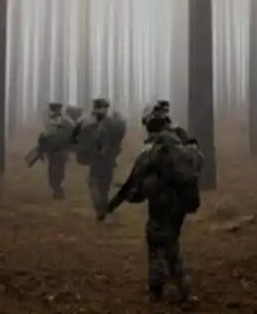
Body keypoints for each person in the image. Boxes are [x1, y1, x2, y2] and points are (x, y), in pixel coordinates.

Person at [102, 100, 203, 309]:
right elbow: (196, 164)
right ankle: (182, 292)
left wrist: (116, 203)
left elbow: (135, 180)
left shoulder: (153, 147)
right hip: (181, 203)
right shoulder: (181, 140)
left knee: (157, 244)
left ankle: (161, 290)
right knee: (171, 243)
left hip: (161, 204)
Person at [72, 97, 127, 216]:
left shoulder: (85, 121)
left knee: (94, 182)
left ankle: (100, 209)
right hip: (109, 158)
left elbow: (73, 137)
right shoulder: (113, 122)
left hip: (95, 159)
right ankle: (104, 208)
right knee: (104, 186)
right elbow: (121, 135)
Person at [28, 102, 75, 200]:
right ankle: (57, 188)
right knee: (57, 169)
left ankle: (57, 188)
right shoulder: (66, 120)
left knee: (55, 169)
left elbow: (46, 134)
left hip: (56, 149)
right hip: (59, 150)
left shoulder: (52, 121)